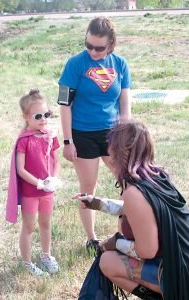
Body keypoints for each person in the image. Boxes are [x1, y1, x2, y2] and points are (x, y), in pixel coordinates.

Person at [74, 121, 189, 299]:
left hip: (182, 275)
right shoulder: (156, 175)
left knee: (107, 262)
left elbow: (148, 251)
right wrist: (97, 203)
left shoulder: (134, 193)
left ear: (119, 153)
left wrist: (115, 243)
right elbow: (140, 213)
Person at [58, 16, 132, 254]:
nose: (92, 50)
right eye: (88, 45)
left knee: (128, 183)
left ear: (111, 44)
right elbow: (64, 105)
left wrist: (126, 134)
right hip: (83, 135)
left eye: (99, 47)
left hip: (113, 134)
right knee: (88, 189)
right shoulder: (74, 64)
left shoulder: (120, 64)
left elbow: (124, 103)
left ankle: (132, 228)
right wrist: (68, 140)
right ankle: (92, 239)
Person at [6, 89, 61, 276]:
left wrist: (53, 179)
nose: (44, 119)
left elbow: (56, 160)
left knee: (46, 223)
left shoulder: (50, 136)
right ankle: (27, 262)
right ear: (26, 117)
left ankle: (46, 256)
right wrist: (38, 183)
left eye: (46, 114)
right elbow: (20, 169)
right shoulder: (24, 140)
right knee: (29, 226)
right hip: (31, 192)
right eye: (38, 116)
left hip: (48, 192)